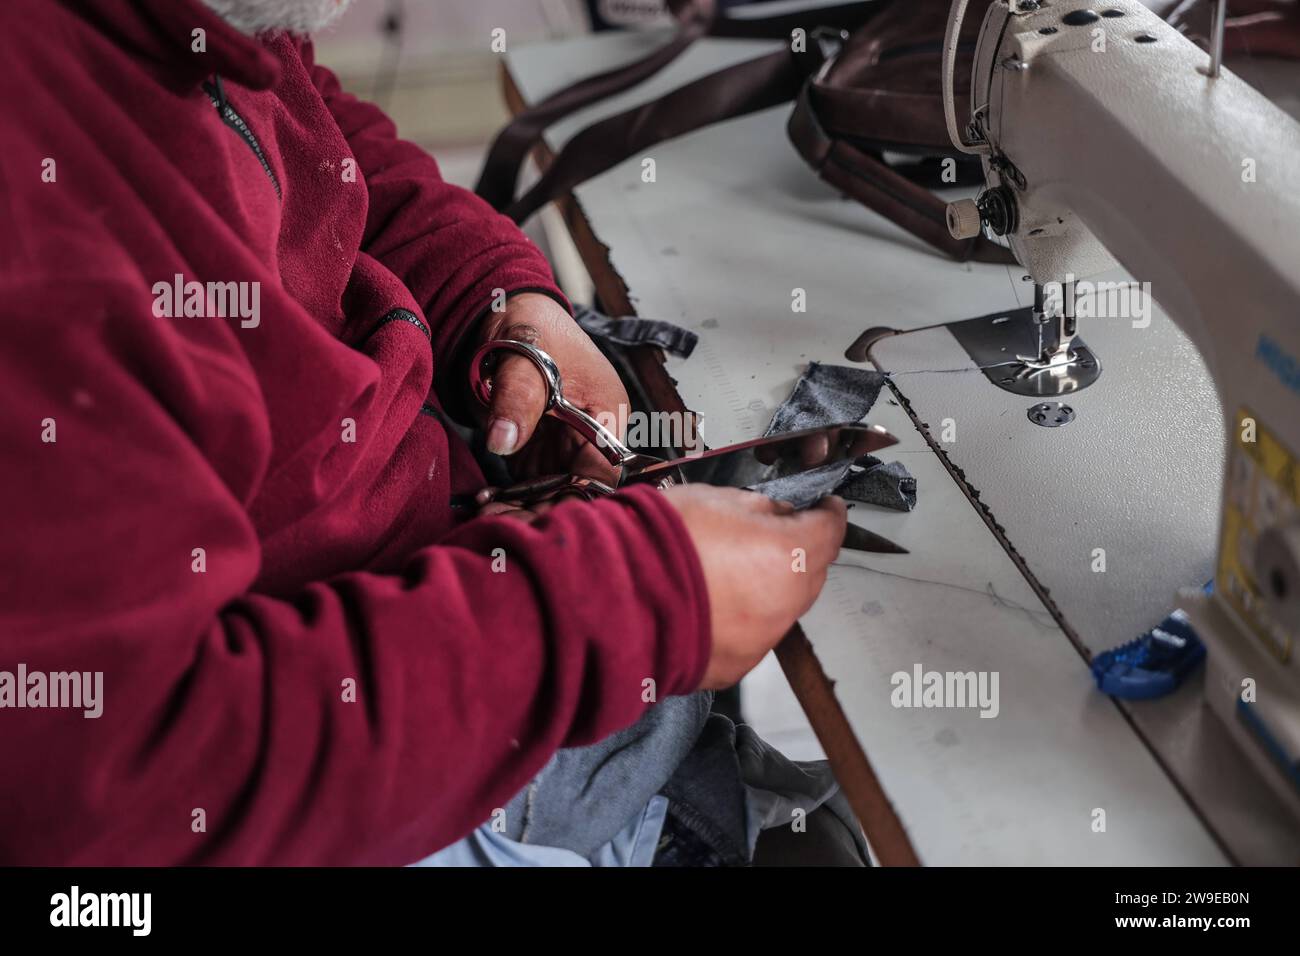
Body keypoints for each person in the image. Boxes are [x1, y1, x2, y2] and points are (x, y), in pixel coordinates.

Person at [0, 0, 847, 865]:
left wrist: (490, 294)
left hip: (431, 627)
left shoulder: (191, 22)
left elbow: (304, 121)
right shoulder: (33, 208)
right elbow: (128, 798)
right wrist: (617, 606)